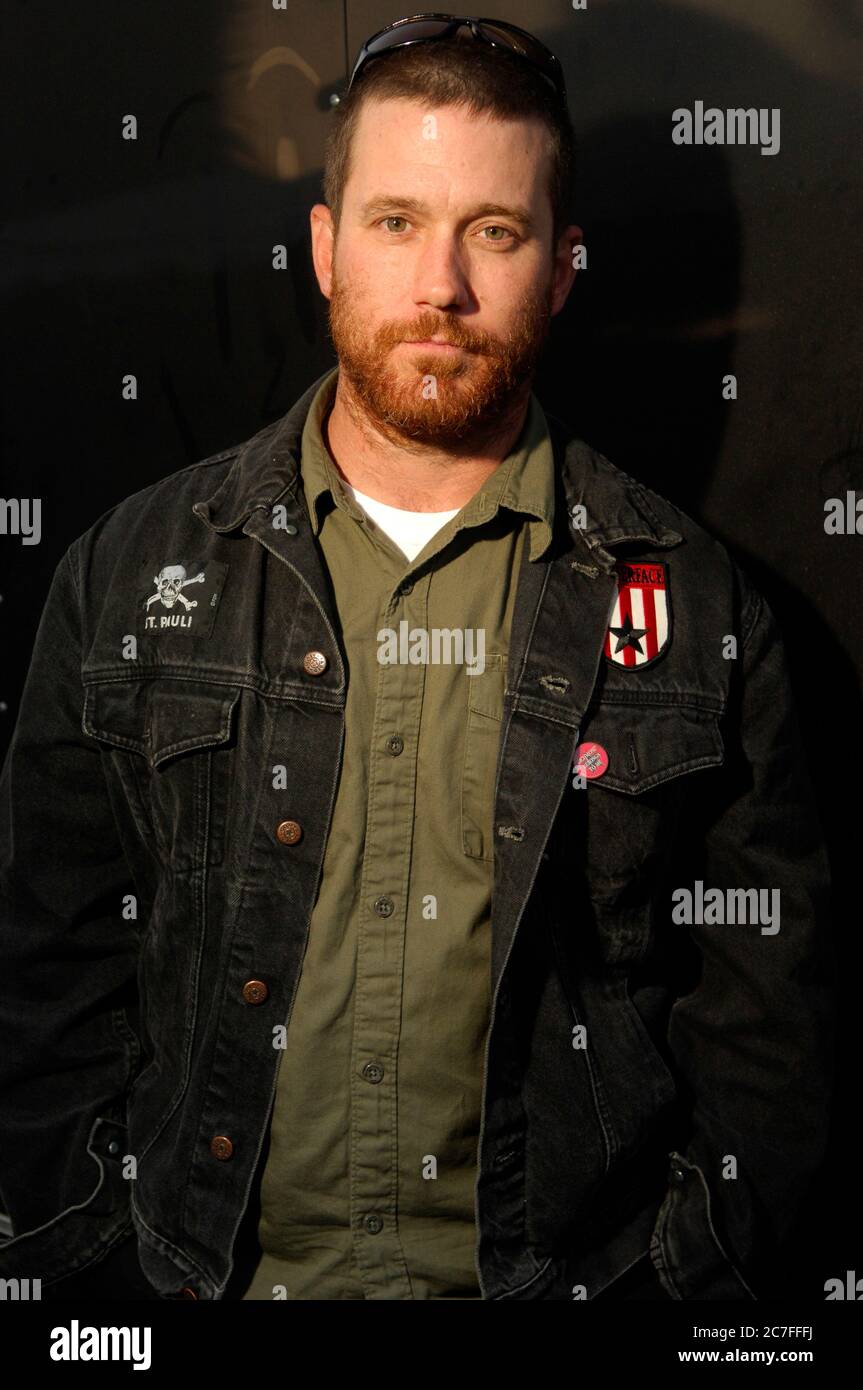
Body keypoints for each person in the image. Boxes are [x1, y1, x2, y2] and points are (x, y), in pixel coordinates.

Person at [0, 14, 835, 1302]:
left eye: (493, 231)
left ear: (560, 268)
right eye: (395, 221)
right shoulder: (131, 575)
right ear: (326, 249)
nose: (440, 284)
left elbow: (769, 1022)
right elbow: (44, 968)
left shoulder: (704, 610)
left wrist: (681, 1278)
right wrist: (96, 1262)